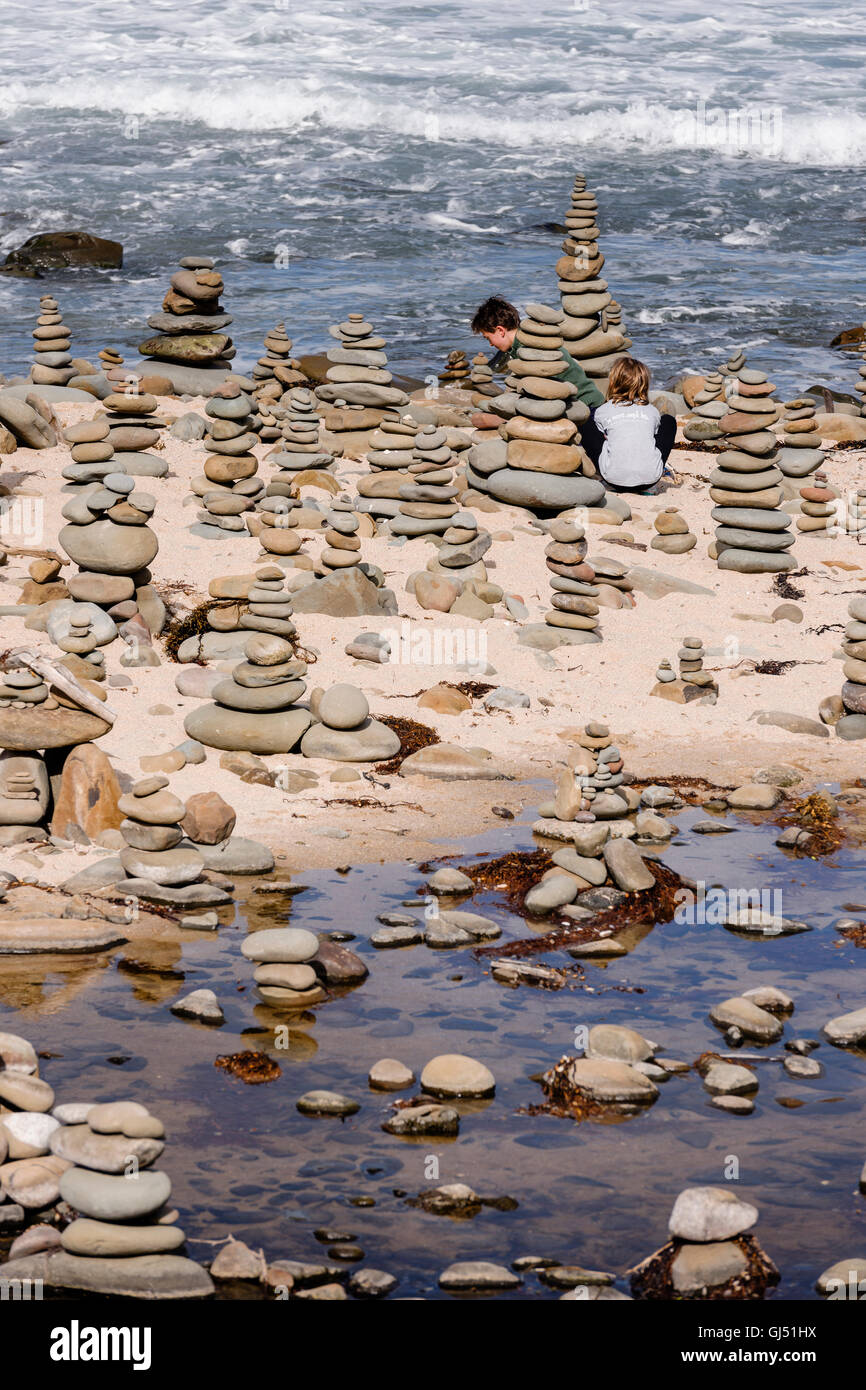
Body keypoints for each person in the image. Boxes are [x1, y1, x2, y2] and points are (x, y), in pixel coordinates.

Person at [470, 296, 604, 411]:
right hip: (577, 402)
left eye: (488, 338)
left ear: (500, 330)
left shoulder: (529, 347)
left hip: (585, 404)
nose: (491, 344)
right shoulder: (524, 342)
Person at [579, 355, 676, 493]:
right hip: (650, 479)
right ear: (644, 384)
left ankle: (604, 472)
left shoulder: (603, 410)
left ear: (613, 382)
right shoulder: (652, 411)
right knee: (669, 421)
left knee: (586, 421)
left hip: (613, 479)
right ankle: (655, 467)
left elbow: (601, 437)